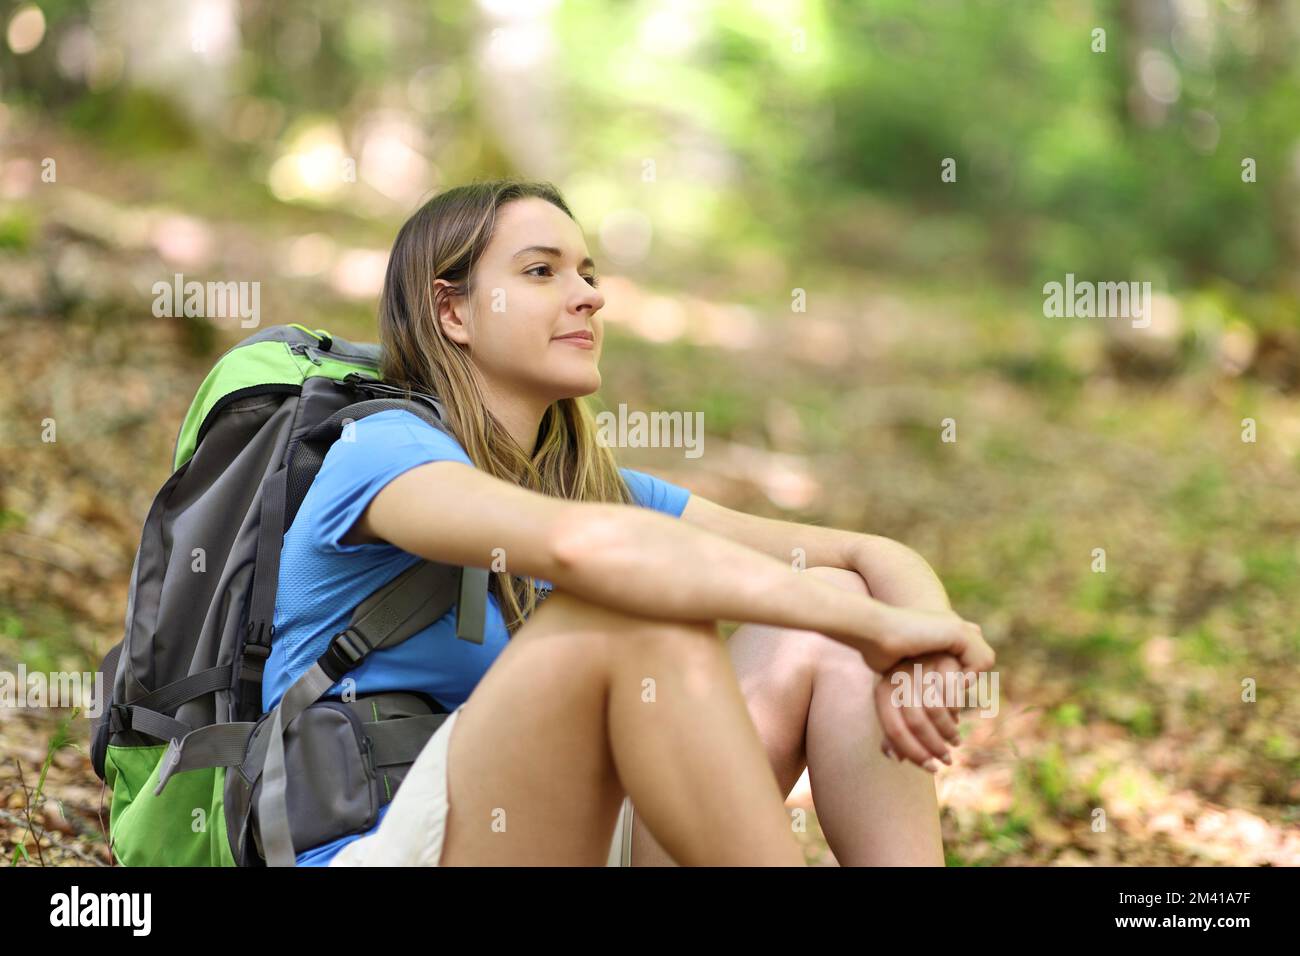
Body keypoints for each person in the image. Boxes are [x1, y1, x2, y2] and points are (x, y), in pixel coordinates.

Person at [261, 178, 995, 867]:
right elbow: (588, 552)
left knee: (827, 615)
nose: (588, 297)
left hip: (552, 834)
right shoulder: (382, 450)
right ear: (453, 311)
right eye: (542, 272)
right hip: (376, 848)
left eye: (586, 272)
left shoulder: (586, 487)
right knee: (629, 617)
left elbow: (864, 554)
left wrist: (920, 638)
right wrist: (879, 627)